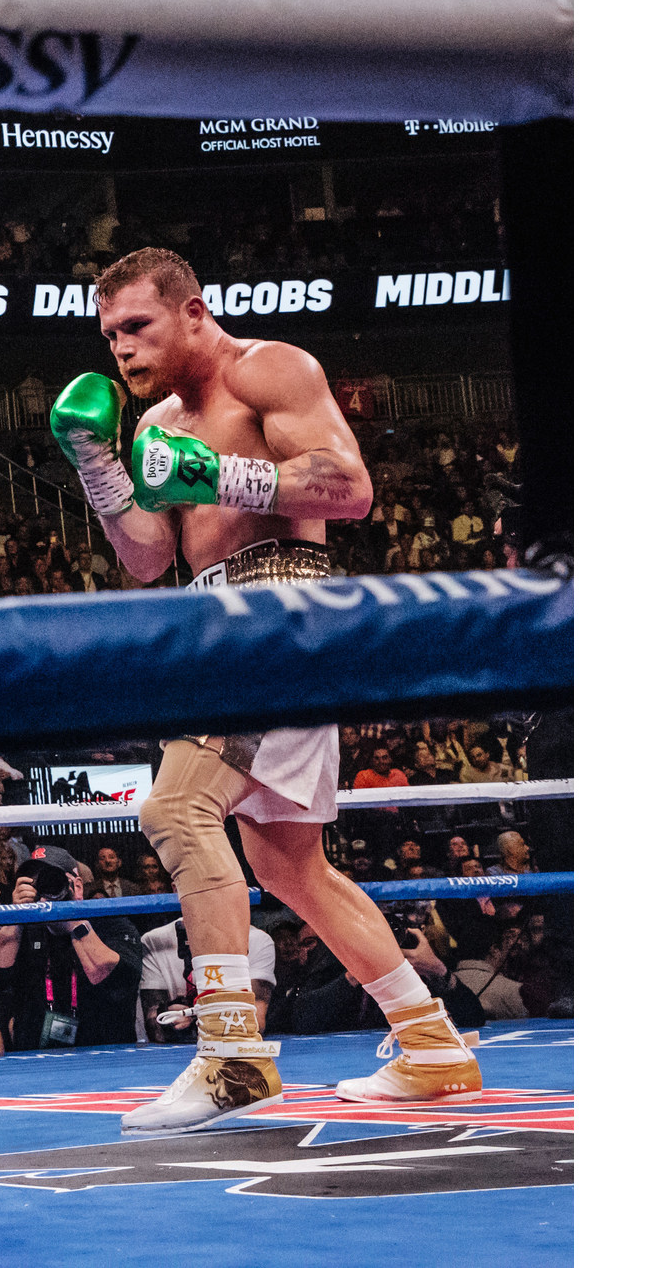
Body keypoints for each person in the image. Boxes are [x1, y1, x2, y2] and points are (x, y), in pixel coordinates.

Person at [52, 247, 480, 1136]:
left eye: (137, 326)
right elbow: (148, 560)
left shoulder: (270, 371)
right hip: (216, 618)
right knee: (288, 862)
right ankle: (432, 1044)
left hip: (282, 605)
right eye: (108, 336)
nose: (121, 350)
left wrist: (221, 473)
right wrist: (97, 461)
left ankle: (233, 1055)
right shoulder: (154, 424)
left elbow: (350, 488)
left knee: (176, 810)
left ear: (194, 312)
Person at [0, 847, 143, 1051]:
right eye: (35, 883)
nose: (44, 891)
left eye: (51, 880)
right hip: (37, 1060)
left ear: (77, 886)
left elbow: (113, 977)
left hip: (105, 1055)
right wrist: (15, 917)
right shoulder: (22, 931)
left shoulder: (110, 923)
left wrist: (72, 919)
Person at [139, 916, 278, 1044]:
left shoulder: (256, 940)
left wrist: (197, 1017)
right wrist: (170, 1018)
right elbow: (154, 1027)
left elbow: (255, 1023)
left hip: (232, 1051)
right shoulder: (157, 941)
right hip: (173, 1053)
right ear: (176, 889)